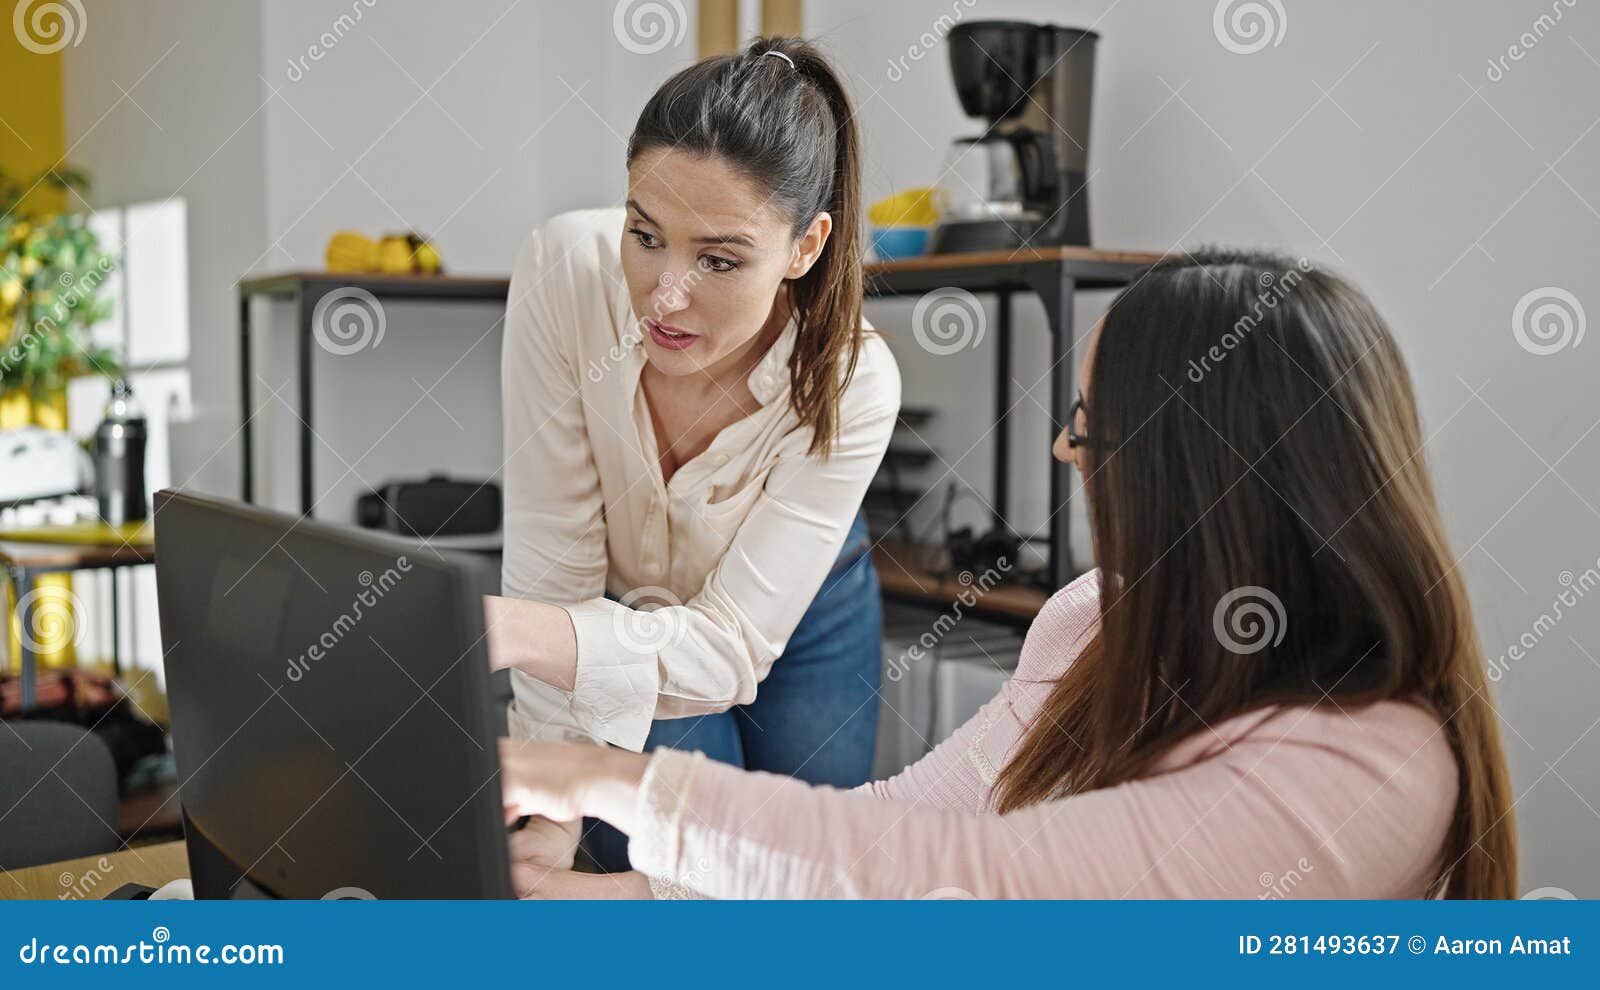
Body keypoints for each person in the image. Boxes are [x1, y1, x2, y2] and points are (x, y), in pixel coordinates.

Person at [496, 249, 1518, 899]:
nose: (1069, 458)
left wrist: (607, 779)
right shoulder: (1095, 620)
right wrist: (618, 904)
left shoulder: (1364, 771)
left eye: (1087, 430)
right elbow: (903, 824)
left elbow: (972, 887)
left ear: (1186, 473)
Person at [484, 36, 899, 872]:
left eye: (718, 259)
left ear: (805, 247)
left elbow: (730, 645)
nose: (666, 296)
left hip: (797, 615)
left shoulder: (857, 379)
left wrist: (513, 631)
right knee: (667, 865)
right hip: (619, 617)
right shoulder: (566, 272)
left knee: (795, 875)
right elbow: (551, 576)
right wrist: (550, 824)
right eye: (646, 235)